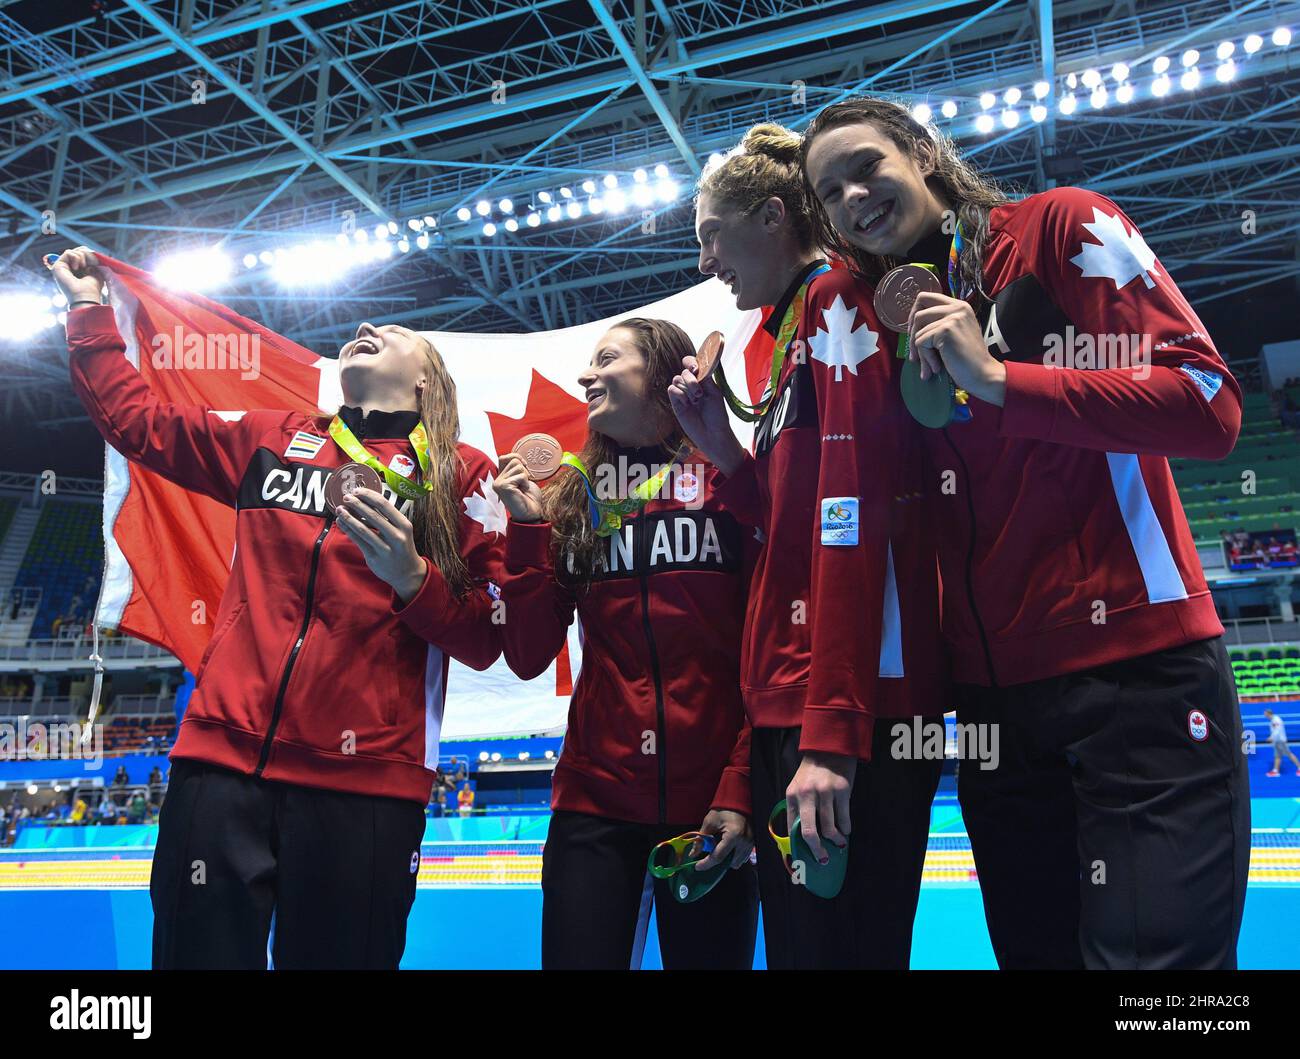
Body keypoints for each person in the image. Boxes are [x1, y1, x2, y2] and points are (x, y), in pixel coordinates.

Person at [799, 96, 1249, 969]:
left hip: (1136, 674)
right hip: (994, 715)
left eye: (868, 167)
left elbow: (1208, 403)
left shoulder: (1061, 230)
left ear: (923, 154)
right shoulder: (867, 317)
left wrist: (1004, 378)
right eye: (830, 192)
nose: (854, 196)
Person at [52, 245, 506, 970]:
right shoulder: (271, 439)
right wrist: (86, 308)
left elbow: (489, 638)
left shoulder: (461, 479)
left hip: (365, 787)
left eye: (391, 333)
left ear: (426, 379)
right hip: (221, 766)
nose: (364, 324)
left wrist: (413, 578)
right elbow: (136, 422)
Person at [671, 127, 947, 970]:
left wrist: (830, 733)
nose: (708, 262)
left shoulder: (834, 306)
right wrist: (726, 452)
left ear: (771, 216)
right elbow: (791, 529)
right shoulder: (786, 334)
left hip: (853, 708)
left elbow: (851, 516)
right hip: (802, 702)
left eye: (713, 236)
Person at [493, 317, 759, 970]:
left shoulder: (728, 480)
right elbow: (527, 654)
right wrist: (527, 534)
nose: (586, 374)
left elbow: (775, 648)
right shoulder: (572, 500)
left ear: (665, 373)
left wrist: (742, 784)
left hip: (713, 808)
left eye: (606, 358)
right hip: (594, 802)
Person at [1264, 709, 1300, 777]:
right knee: (1277, 756)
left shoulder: (1276, 720)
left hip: (1280, 741)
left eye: (1265, 714)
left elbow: (1277, 730)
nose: (1265, 715)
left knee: (1289, 754)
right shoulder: (1273, 720)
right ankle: (1275, 770)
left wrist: (1271, 737)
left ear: (1268, 713)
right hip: (1277, 741)